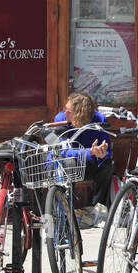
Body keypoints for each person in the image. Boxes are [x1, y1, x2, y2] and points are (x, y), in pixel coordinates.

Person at [53, 91, 112, 227]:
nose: (65, 113)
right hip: (71, 162)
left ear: (80, 114)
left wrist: (102, 154)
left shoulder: (100, 120)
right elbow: (63, 152)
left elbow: (105, 149)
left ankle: (93, 208)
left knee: (108, 165)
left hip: (90, 163)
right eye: (65, 109)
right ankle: (68, 211)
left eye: (69, 111)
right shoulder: (61, 119)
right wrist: (88, 152)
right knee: (67, 164)